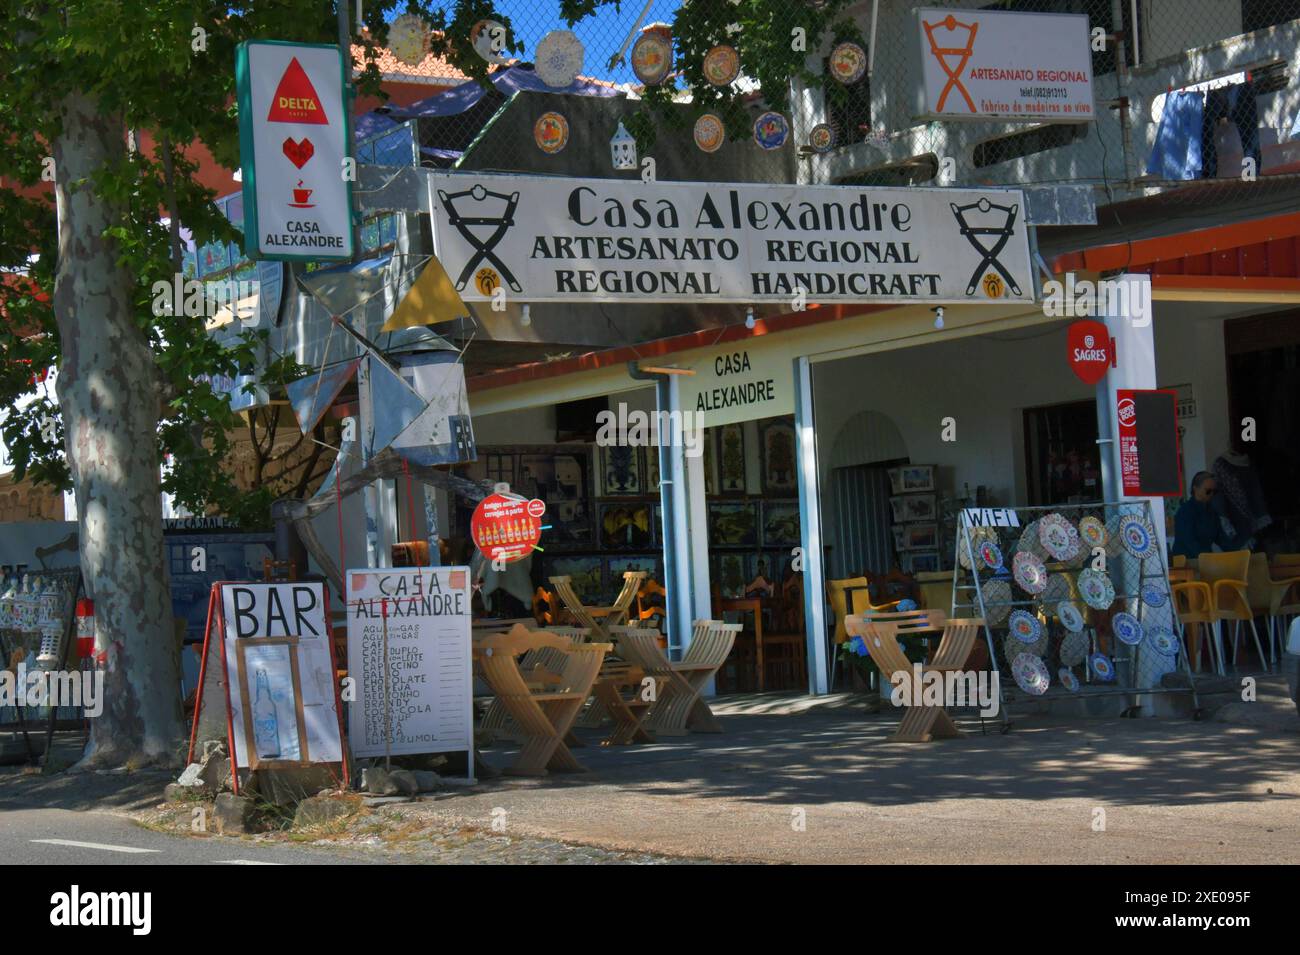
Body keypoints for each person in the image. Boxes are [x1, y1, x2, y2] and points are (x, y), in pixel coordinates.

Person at [1172, 471, 1240, 559]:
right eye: (1208, 491)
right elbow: (1189, 541)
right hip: (1186, 562)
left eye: (1215, 492)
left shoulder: (1212, 512)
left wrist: (1237, 554)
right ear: (1195, 489)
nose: (1212, 494)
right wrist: (1208, 558)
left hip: (1205, 559)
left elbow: (1221, 538)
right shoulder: (1185, 511)